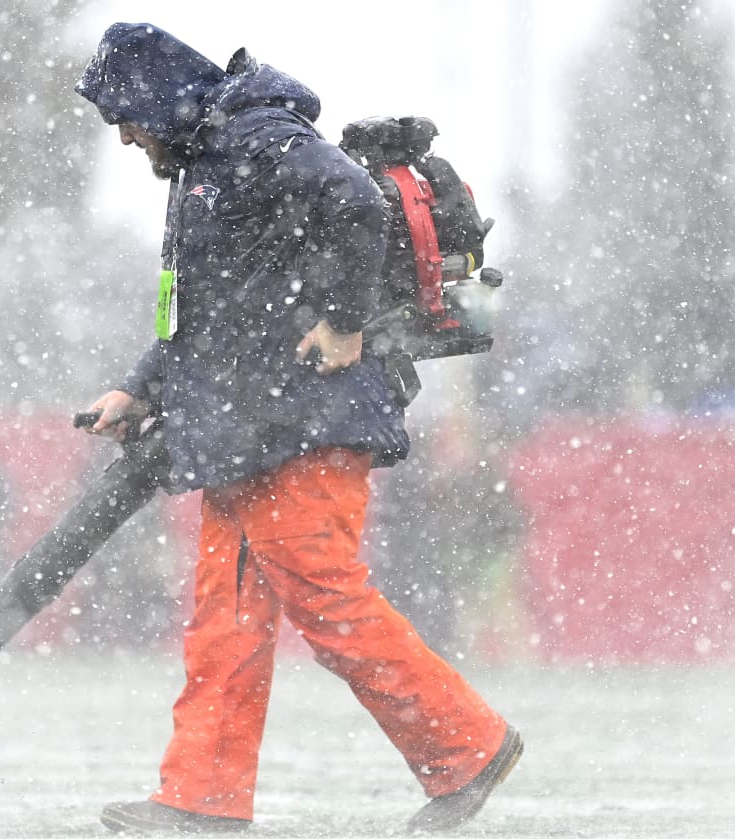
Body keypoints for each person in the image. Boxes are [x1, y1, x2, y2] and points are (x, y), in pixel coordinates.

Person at [75, 22, 522, 835]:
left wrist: (347, 323)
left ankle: (469, 748)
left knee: (325, 600)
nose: (127, 136)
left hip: (306, 421)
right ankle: (200, 798)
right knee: (226, 617)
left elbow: (355, 200)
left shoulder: (258, 134)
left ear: (151, 99)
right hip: (244, 430)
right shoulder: (204, 162)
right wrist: (137, 389)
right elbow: (199, 315)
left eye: (124, 118)